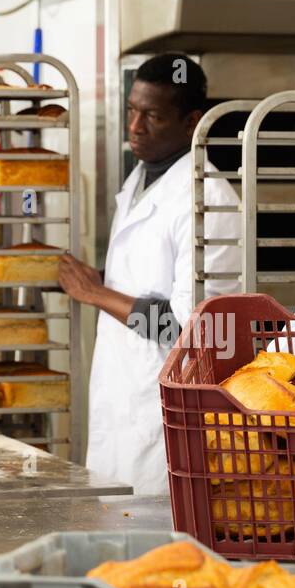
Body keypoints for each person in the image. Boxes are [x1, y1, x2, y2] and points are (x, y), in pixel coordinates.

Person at [58, 54, 240, 495]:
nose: (135, 127)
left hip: (161, 420)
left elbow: (185, 328)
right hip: (120, 402)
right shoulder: (141, 180)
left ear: (192, 120)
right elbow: (143, 279)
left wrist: (95, 293)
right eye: (132, 111)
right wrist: (90, 278)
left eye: (152, 116)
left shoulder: (210, 203)